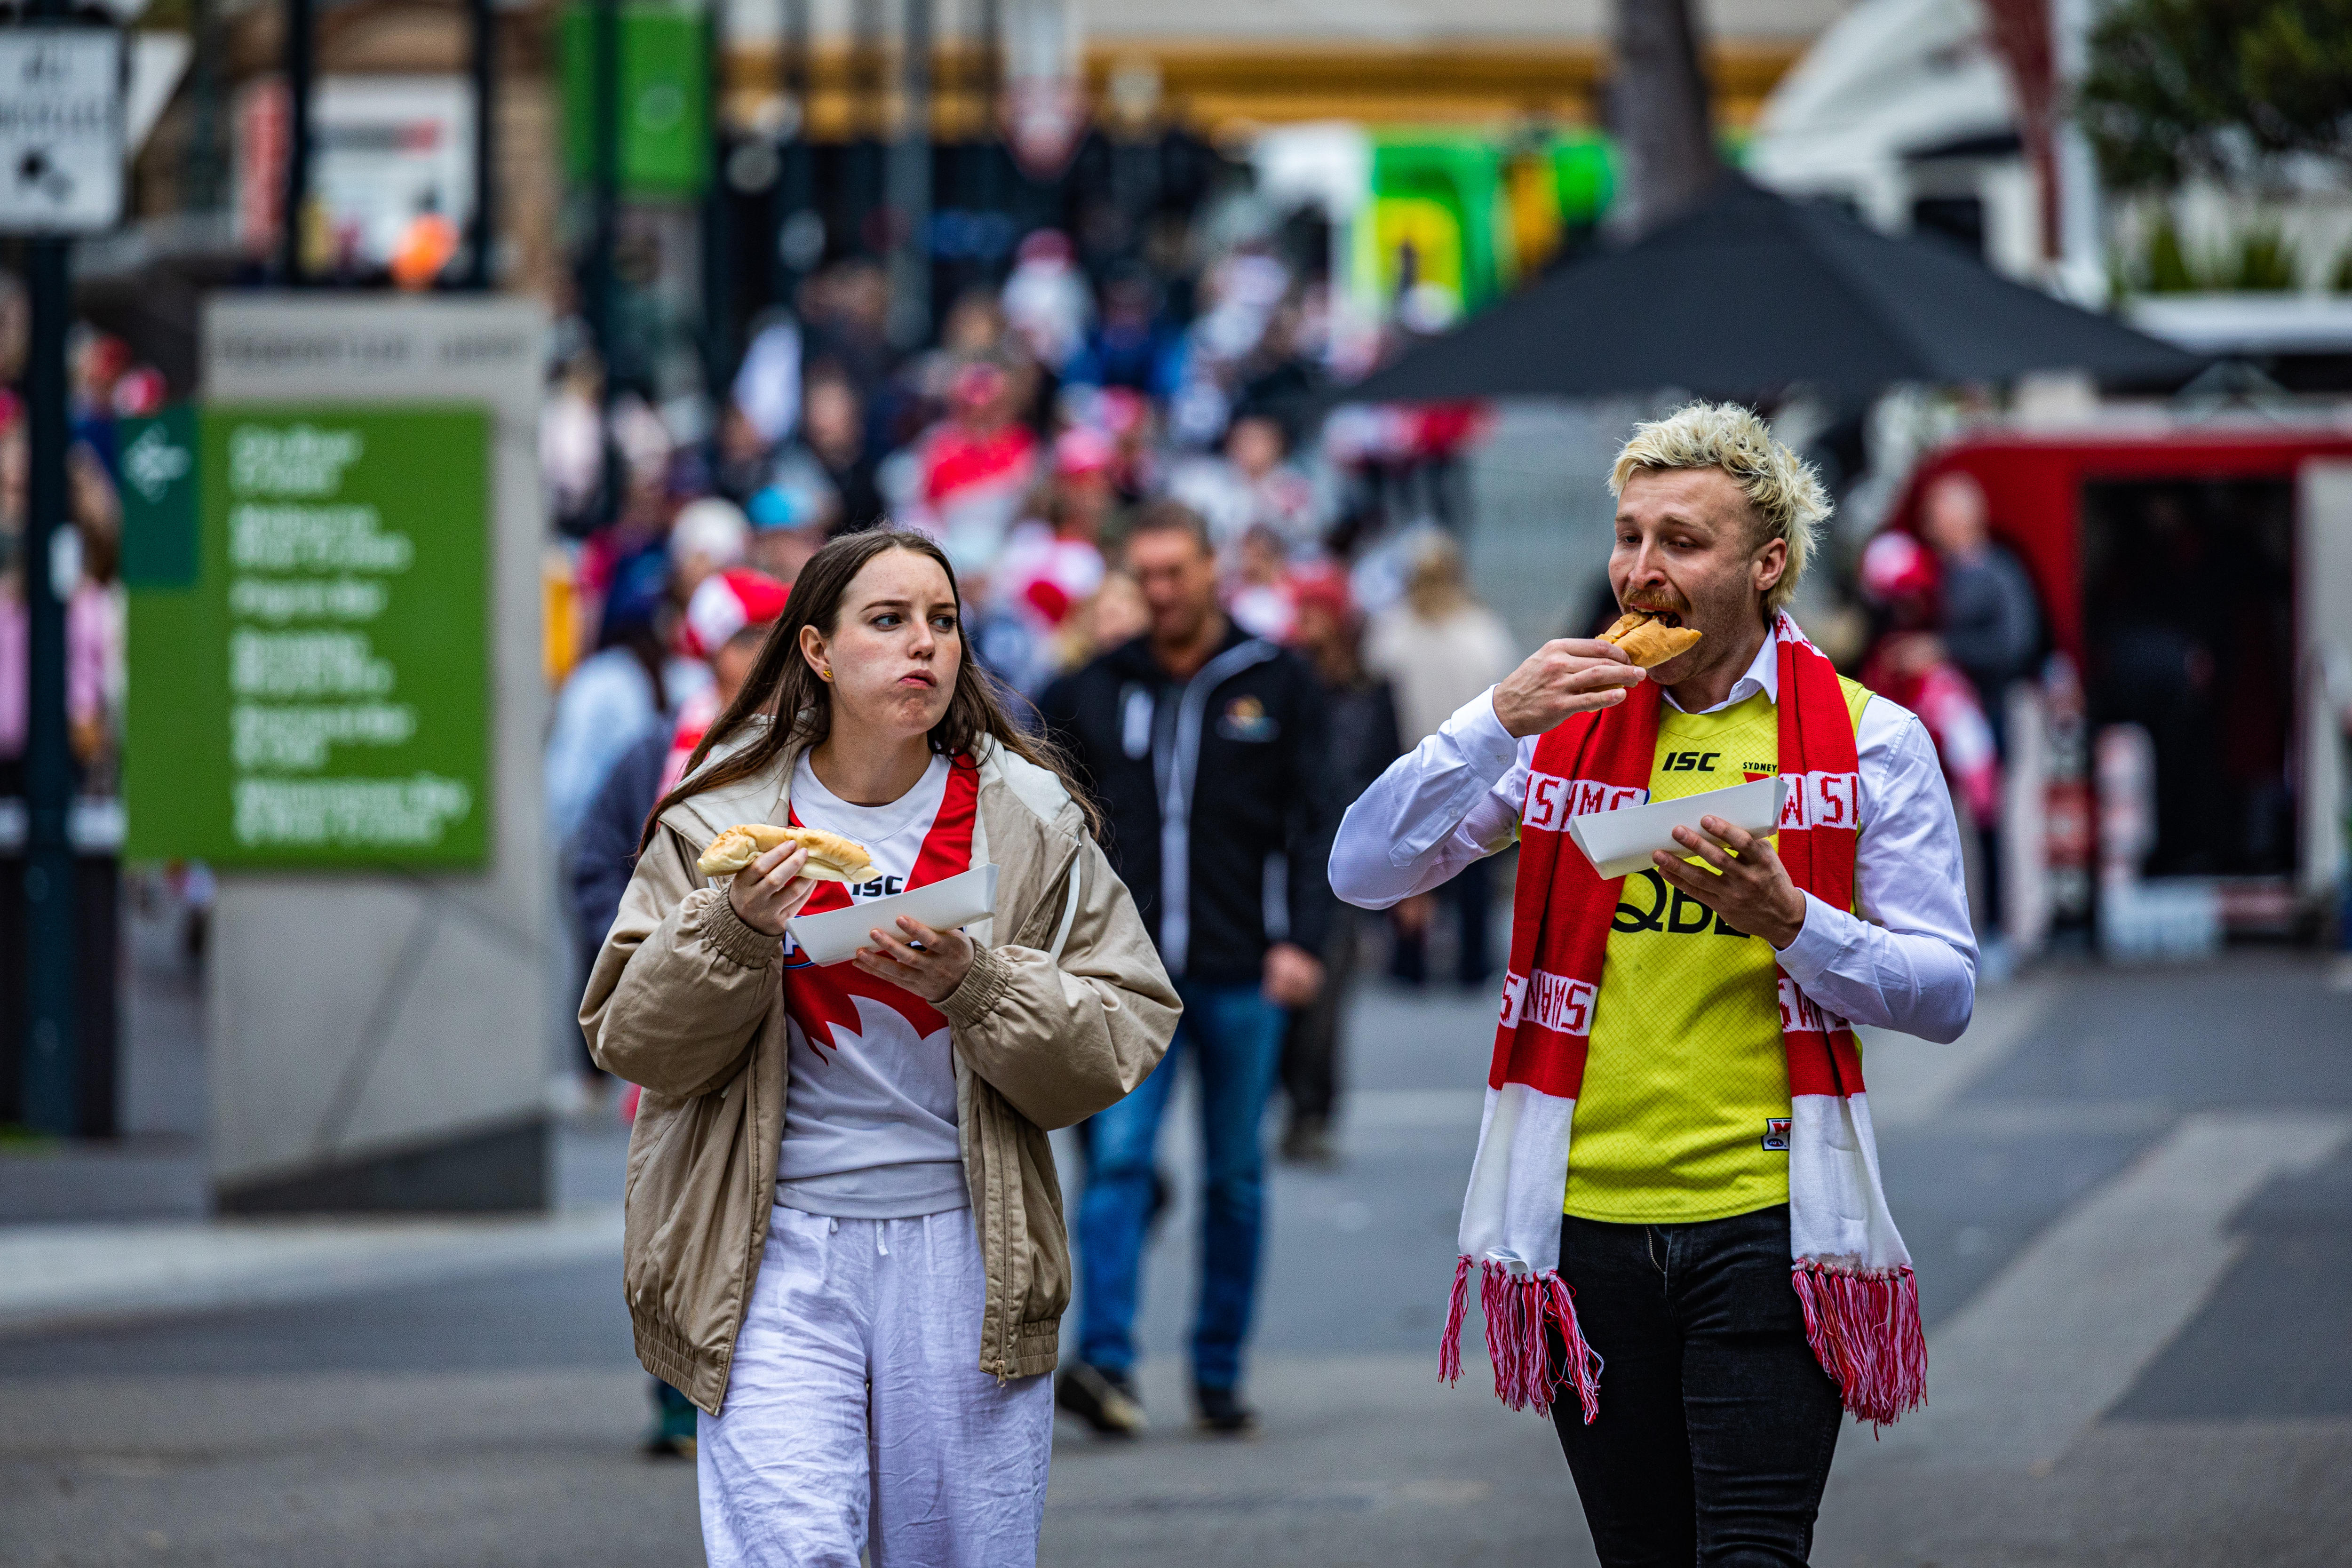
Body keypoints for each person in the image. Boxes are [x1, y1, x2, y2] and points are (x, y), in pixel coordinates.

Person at [1330, 404, 1976, 1567]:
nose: (1639, 571)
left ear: (1765, 563)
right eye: (1628, 537)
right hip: (1584, 1225)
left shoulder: (1870, 739)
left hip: (1775, 1221)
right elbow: (1364, 871)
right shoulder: (1560, 732)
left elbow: (1945, 992)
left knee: (1751, 1554)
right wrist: (1491, 720)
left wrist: (1793, 923)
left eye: (1682, 542)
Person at [581, 528, 1178, 1567]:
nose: (924, 647)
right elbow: (632, 1036)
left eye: (942, 622)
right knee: (790, 1551)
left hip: (965, 1251)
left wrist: (974, 981)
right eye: (889, 620)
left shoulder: (1026, 816)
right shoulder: (721, 817)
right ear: (815, 648)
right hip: (769, 1252)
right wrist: (735, 932)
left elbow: (1123, 1025)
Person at [1040, 501, 1337, 1438]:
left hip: (1243, 965)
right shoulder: (1090, 686)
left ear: (1213, 568)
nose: (1163, 592)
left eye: (1177, 572)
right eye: (1147, 576)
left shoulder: (1275, 680)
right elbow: (1045, 821)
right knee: (1118, 1162)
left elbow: (1318, 818)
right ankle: (1107, 1363)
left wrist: (1303, 941)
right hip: (1125, 975)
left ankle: (1217, 1371)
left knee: (1235, 1175)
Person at [1279, 573, 1402, 1164]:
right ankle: (1283, 1104)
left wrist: (1411, 875)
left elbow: (1394, 769)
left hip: (1353, 858)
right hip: (1291, 854)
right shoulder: (1284, 684)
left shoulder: (1373, 690)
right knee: (1283, 990)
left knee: (1328, 998)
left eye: (1317, 611)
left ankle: (1313, 1114)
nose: (1309, 625)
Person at [1364, 533, 1517, 988]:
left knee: (1414, 861)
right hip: (1469, 764)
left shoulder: (1392, 632)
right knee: (1467, 862)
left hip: (1420, 761)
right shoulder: (1483, 631)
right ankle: (1469, 963)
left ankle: (1411, 962)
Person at [1918, 470, 2040, 739]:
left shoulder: (2000, 572)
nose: (1926, 522)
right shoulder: (1936, 573)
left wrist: (1943, 649)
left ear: (1964, 516)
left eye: (1935, 512)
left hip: (2003, 713)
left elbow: (2015, 644)